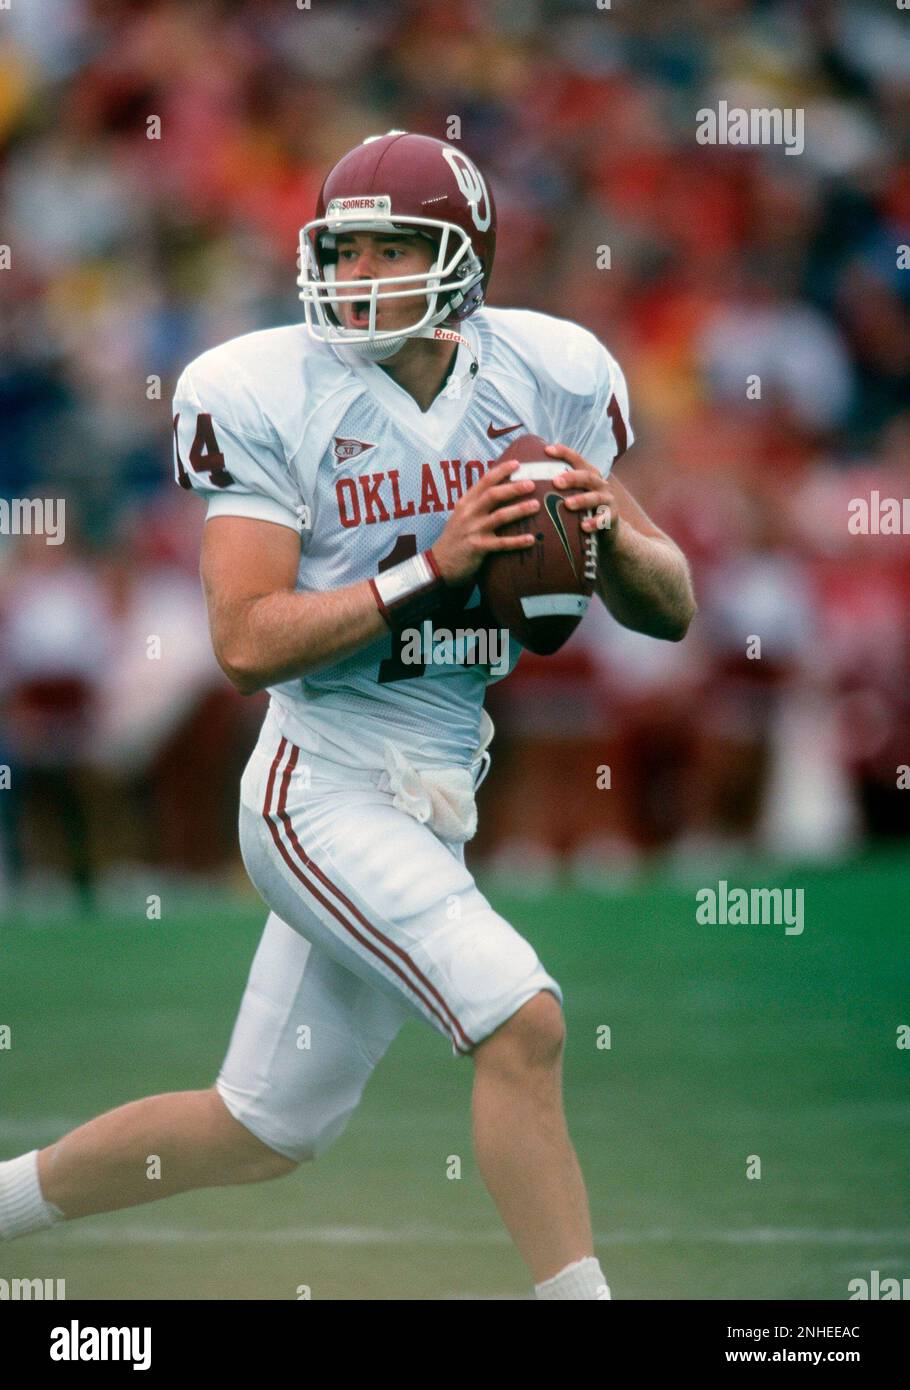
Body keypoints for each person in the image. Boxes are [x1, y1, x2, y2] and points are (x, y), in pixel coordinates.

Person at [0, 131, 696, 1300]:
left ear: (463, 261)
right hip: (315, 783)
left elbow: (669, 606)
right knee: (521, 1017)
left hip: (433, 788)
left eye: (392, 247)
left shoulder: (547, 373)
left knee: (261, 1126)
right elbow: (241, 642)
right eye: (346, 246)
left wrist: (606, 527)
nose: (360, 272)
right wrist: (434, 567)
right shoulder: (268, 386)